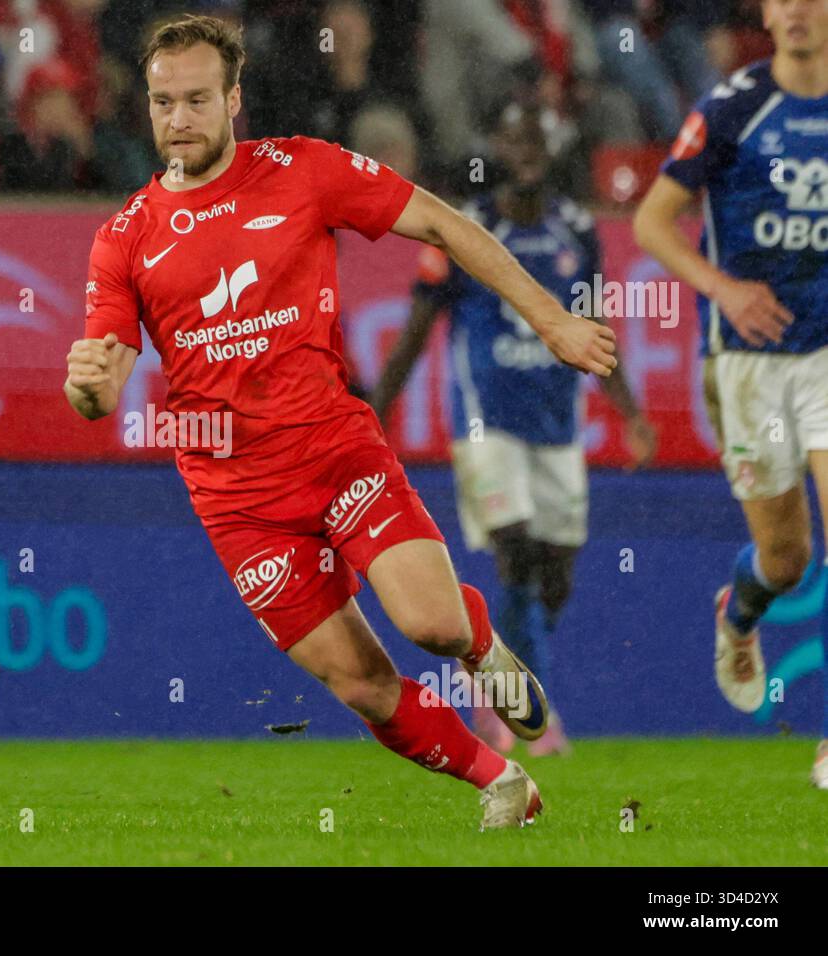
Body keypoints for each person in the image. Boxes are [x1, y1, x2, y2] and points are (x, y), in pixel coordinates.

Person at [64, 15, 618, 828]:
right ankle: (499, 779)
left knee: (428, 624)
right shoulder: (125, 238)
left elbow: (442, 221)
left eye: (196, 100)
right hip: (236, 497)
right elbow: (102, 380)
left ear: (233, 99)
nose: (178, 119)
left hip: (335, 448)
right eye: (161, 102)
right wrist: (87, 385)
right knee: (360, 682)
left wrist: (550, 320)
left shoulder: (302, 169)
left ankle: (479, 647)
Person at [372, 101, 656, 757]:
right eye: (514, 137)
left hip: (557, 426)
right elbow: (417, 330)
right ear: (496, 147)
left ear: (553, 145)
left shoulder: (577, 230)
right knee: (517, 551)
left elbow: (592, 325)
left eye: (538, 135)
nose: (526, 149)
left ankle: (495, 678)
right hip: (485, 425)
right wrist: (378, 406)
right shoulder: (464, 229)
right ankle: (535, 715)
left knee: (554, 577)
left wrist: (631, 411)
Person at [634, 0, 828, 790]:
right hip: (747, 364)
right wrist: (725, 290)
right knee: (786, 558)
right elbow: (651, 221)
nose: (796, 10)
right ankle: (739, 615)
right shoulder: (732, 107)